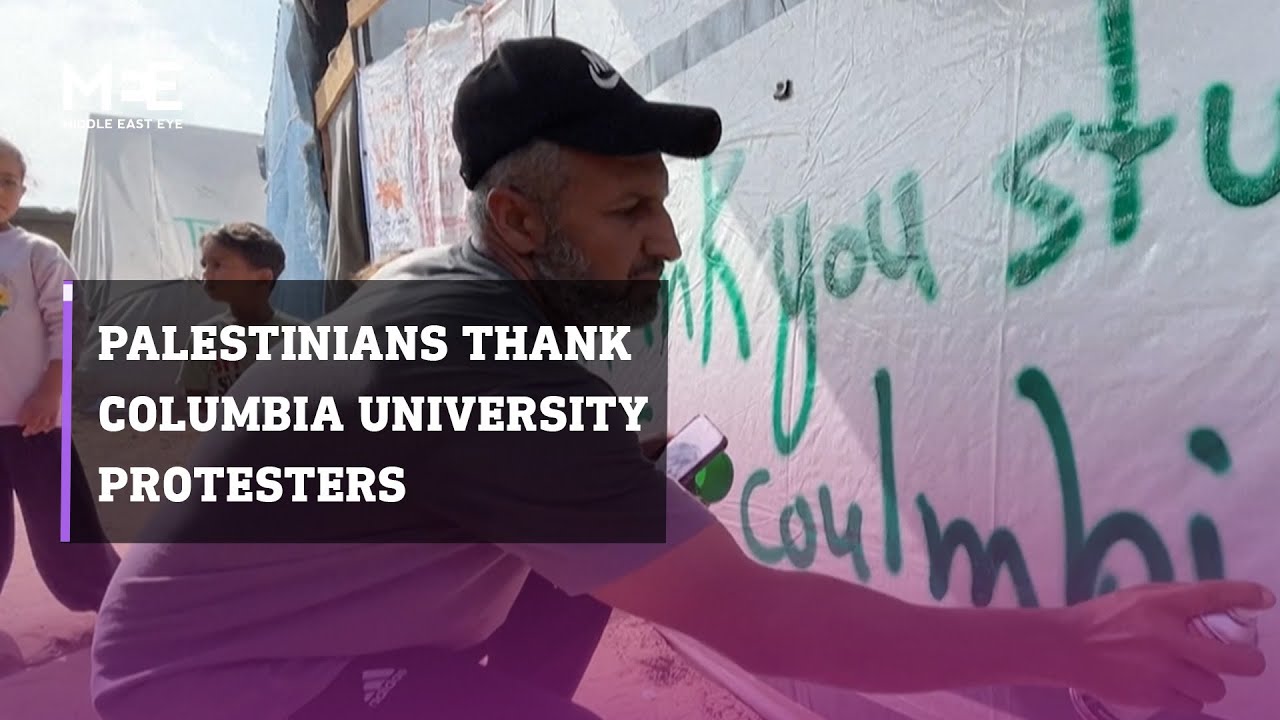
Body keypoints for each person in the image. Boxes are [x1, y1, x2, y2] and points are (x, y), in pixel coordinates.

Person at [89, 38, 1271, 720]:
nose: (665, 242)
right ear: (514, 215)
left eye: (664, 204)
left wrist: (601, 480)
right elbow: (759, 620)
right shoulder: (468, 345)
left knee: (604, 546)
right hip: (226, 696)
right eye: (629, 208)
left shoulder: (448, 293)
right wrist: (1069, 641)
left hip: (248, 659)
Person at [0, 136, 119, 612]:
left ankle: (113, 605)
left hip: (34, 421)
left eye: (7, 181)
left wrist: (54, 388)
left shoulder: (37, 252)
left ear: (22, 192)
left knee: (64, 530)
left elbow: (68, 318)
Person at [176, 221, 301, 397]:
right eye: (205, 265)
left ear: (263, 277)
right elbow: (198, 406)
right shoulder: (204, 338)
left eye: (217, 265)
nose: (206, 274)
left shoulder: (298, 336)